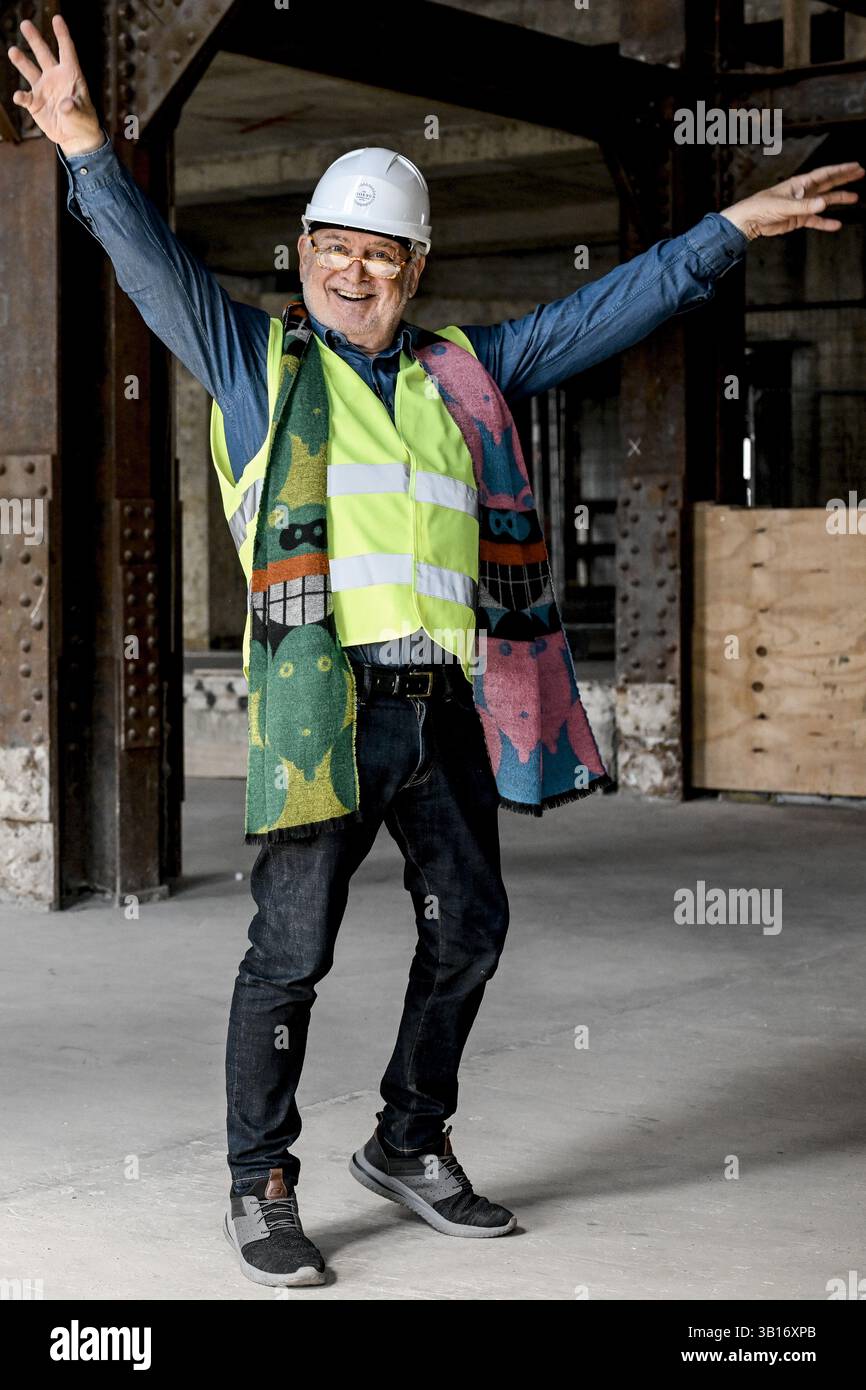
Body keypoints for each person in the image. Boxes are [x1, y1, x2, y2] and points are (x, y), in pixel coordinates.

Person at [7, 14, 862, 1290]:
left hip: (441, 705)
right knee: (289, 954)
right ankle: (260, 1178)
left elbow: (605, 307)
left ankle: (408, 1143)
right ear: (301, 255)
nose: (353, 274)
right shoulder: (257, 361)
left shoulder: (469, 372)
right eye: (333, 251)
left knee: (469, 928)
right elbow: (146, 260)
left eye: (380, 256)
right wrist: (82, 140)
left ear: (416, 269)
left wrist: (723, 231)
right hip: (318, 708)